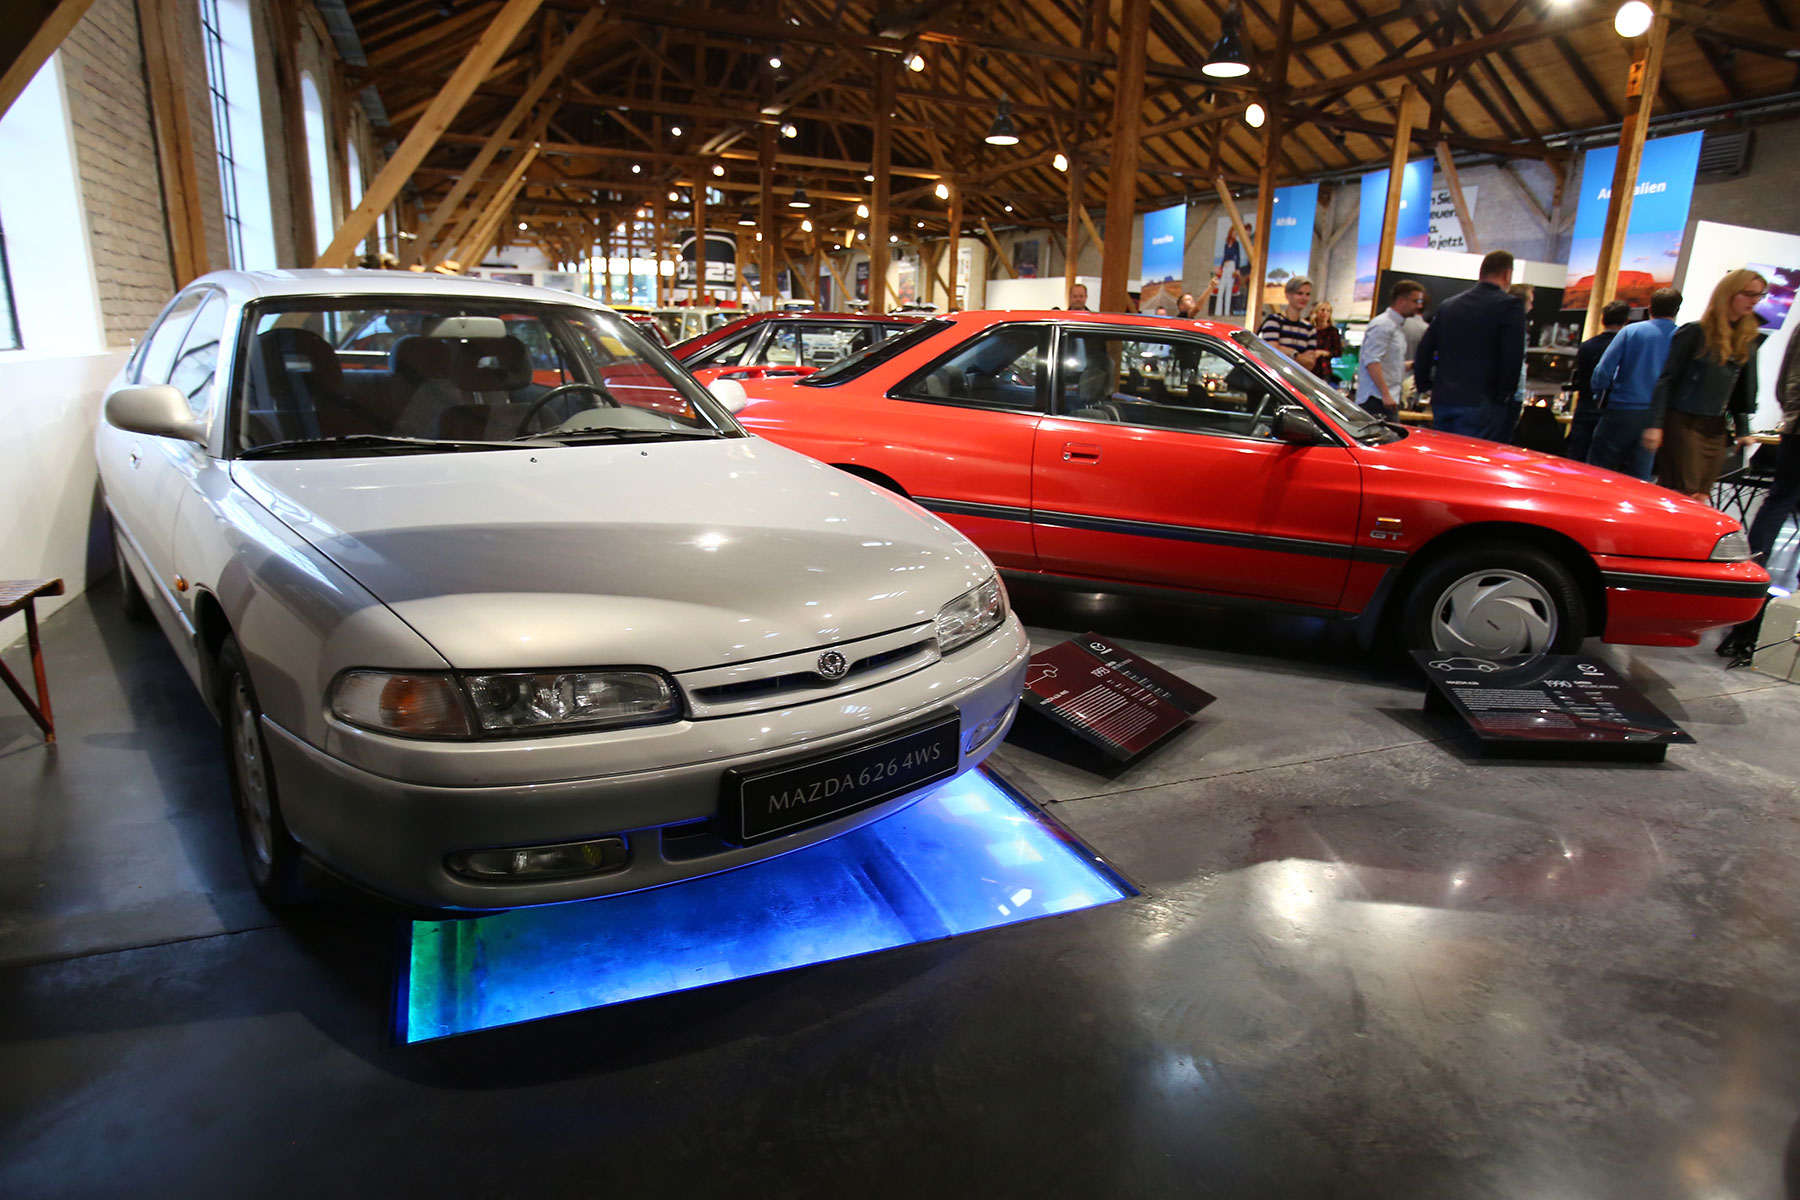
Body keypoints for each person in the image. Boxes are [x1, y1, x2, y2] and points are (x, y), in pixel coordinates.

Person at [1643, 269, 1766, 501]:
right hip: (1684, 422)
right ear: (1729, 294)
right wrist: (1655, 425)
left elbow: (1739, 389)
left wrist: (1743, 430)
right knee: (1682, 491)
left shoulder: (1745, 338)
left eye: (1759, 295)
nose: (1755, 301)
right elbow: (1667, 380)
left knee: (1701, 494)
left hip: (1716, 428)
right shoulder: (1695, 332)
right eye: (1749, 294)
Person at [1717, 327, 1800, 662]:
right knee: (1779, 503)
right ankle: (1754, 585)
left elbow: (1785, 381)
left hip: (1796, 426)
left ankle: (1751, 582)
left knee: (1778, 502)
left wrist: (1791, 413)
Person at [1413, 249, 1526, 439]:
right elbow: (1512, 356)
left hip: (1444, 398)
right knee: (1471, 461)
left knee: (1443, 456)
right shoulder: (1510, 306)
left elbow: (1425, 348)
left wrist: (1425, 384)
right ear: (1507, 274)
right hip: (1482, 401)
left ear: (1481, 273)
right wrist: (1505, 395)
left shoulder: (1449, 305)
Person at [1587, 288, 1682, 479]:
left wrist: (1600, 397)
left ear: (1649, 307)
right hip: (1657, 416)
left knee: (1599, 470)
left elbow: (1603, 371)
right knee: (1640, 475)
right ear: (1677, 309)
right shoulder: (1681, 336)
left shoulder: (1631, 331)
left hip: (1622, 409)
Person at [1566, 300, 1631, 462]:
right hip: (1609, 407)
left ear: (1603, 319)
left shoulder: (1586, 346)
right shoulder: (1624, 346)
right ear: (1626, 321)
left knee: (1576, 456)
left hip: (1584, 403)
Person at [1356, 279, 1425, 417]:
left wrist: (1412, 365)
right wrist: (1386, 394)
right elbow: (1372, 362)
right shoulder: (1383, 325)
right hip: (1376, 400)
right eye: (1415, 301)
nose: (1419, 306)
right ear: (1400, 301)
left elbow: (1388, 363)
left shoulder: (1396, 326)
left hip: (1387, 398)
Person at [1257, 276, 1323, 371]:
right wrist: (1296, 354)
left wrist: (1284, 350)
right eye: (1300, 293)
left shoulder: (1309, 329)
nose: (1304, 298)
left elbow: (1310, 364)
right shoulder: (1274, 321)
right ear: (1288, 295)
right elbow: (1271, 353)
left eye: (1308, 294)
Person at [1500, 282, 1536, 444]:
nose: (1532, 307)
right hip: (1510, 396)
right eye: (1530, 302)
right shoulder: (1513, 327)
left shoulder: (1510, 324)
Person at [1310, 301, 1343, 384]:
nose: (1325, 313)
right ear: (1317, 312)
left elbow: (1337, 352)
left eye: (1328, 311)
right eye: (1323, 310)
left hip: (1323, 369)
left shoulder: (1332, 331)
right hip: (1309, 365)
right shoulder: (1310, 328)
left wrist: (1323, 353)